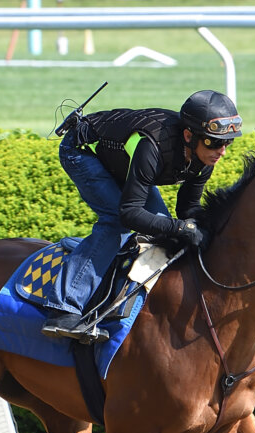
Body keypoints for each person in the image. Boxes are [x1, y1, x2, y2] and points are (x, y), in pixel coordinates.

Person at [41, 89, 243, 342]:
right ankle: (64, 308)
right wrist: (181, 229)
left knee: (163, 229)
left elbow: (188, 209)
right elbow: (129, 213)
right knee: (117, 222)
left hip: (120, 160)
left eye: (227, 143)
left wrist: (207, 230)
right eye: (214, 142)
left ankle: (110, 287)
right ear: (189, 136)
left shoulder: (204, 159)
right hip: (82, 151)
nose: (222, 151)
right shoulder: (153, 147)